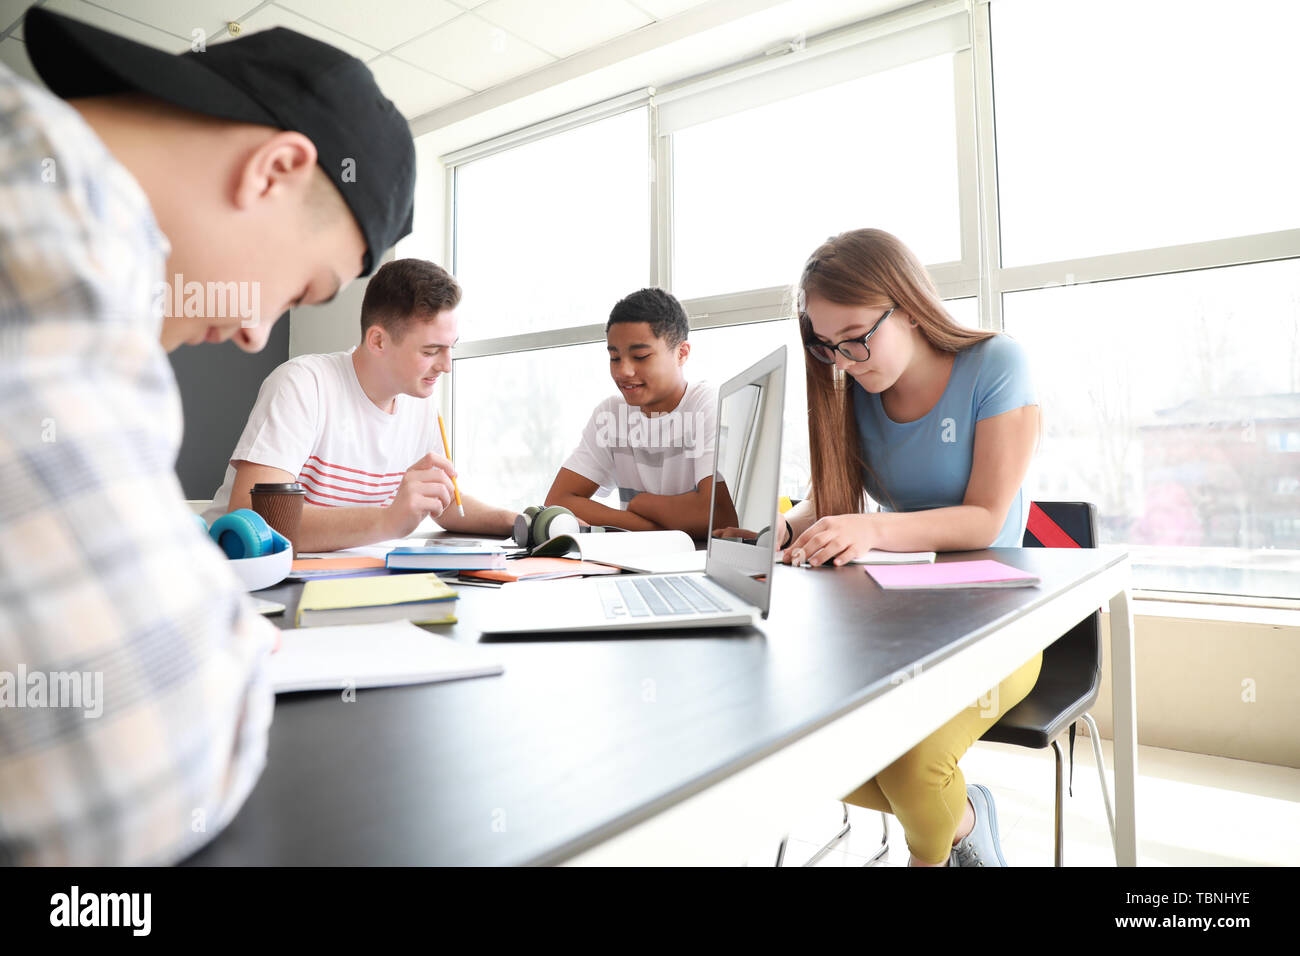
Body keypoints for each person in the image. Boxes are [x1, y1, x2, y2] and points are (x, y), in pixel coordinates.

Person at [0, 9, 414, 864]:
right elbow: (119, 776)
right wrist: (215, 657)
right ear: (275, 169)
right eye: (302, 288)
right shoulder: (41, 201)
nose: (259, 332)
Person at [777, 228, 1041, 867]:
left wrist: (870, 530)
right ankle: (966, 817)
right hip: (896, 622)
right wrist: (780, 528)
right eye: (827, 346)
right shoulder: (855, 393)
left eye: (857, 337)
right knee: (792, 746)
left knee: (915, 766)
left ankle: (945, 834)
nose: (843, 359)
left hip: (1000, 617)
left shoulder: (997, 365)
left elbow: (982, 519)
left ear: (910, 305)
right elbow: (831, 498)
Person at [205, 259, 517, 551]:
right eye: (431, 350)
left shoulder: (420, 405)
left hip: (351, 583)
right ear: (378, 341)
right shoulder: (303, 384)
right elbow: (253, 516)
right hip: (248, 578)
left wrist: (518, 522)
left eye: (450, 348)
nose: (447, 366)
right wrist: (387, 520)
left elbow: (446, 502)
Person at [545, 288, 732, 537]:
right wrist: (647, 525)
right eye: (614, 358)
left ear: (682, 353)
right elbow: (557, 502)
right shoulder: (611, 414)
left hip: (697, 561)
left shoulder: (708, 405)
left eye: (640, 356)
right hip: (635, 559)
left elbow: (718, 515)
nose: (624, 371)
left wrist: (641, 502)